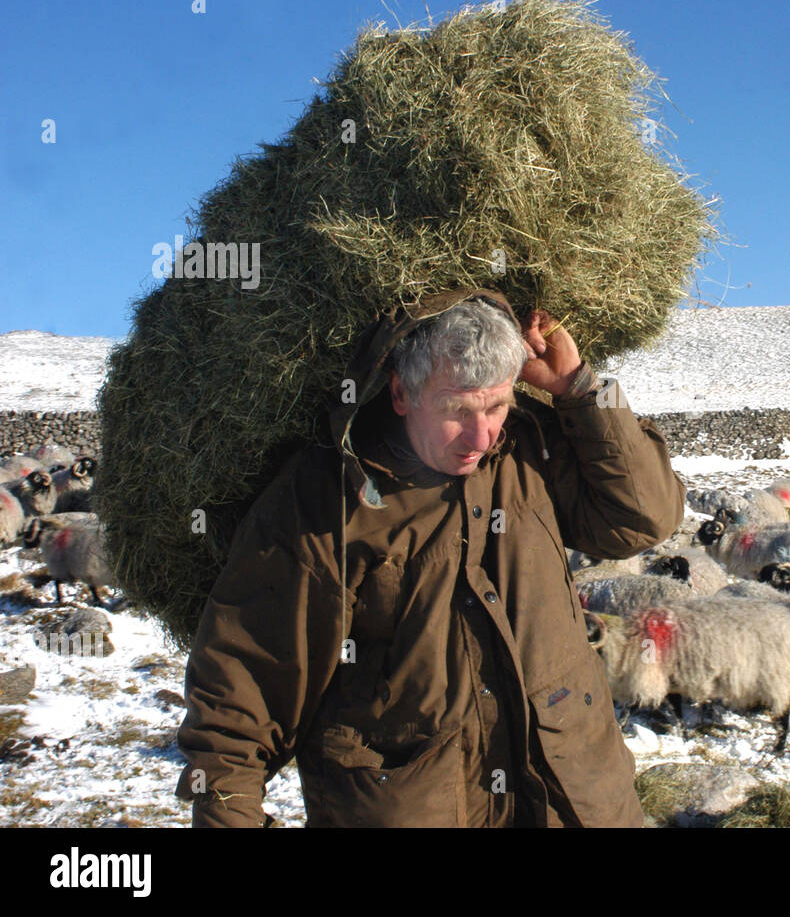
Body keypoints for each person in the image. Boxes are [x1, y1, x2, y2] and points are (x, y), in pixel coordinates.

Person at [174, 287, 685, 826]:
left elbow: (642, 518)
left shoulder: (527, 453)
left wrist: (577, 389)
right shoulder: (325, 501)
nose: (480, 435)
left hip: (575, 803)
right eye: (455, 410)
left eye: (496, 405)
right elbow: (246, 683)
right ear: (400, 393)